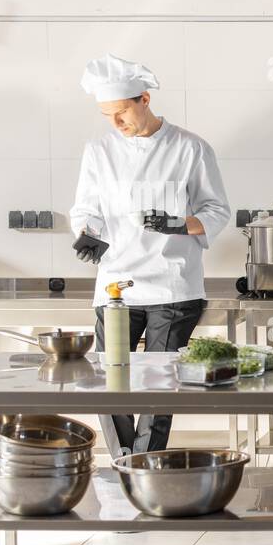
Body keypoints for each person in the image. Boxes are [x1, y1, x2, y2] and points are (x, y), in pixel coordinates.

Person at [70, 53, 231, 456]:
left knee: (160, 385)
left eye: (121, 111)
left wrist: (180, 225)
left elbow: (216, 211)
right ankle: (128, 465)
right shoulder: (99, 150)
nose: (116, 123)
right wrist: (88, 233)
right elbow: (85, 209)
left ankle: (141, 467)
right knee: (113, 384)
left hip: (172, 284)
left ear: (144, 99)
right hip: (115, 286)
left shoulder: (190, 148)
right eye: (107, 115)